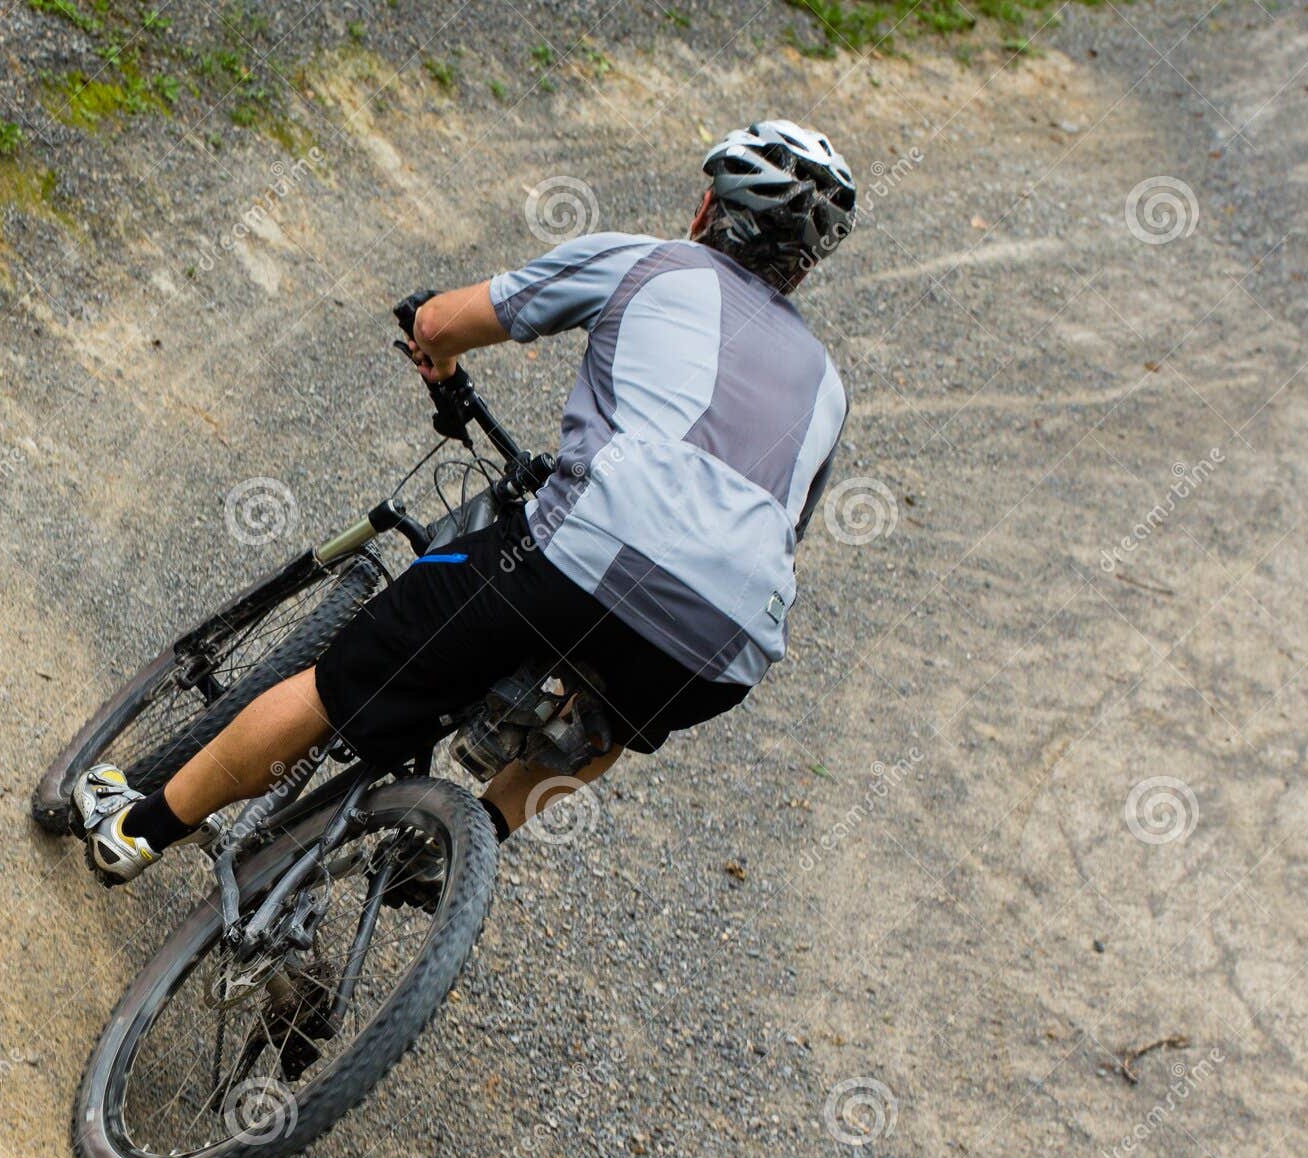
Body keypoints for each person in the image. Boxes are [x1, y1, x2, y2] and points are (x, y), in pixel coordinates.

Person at [74, 119, 857, 884]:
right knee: (613, 721)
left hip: (581, 553)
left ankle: (134, 831)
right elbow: (782, 527)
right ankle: (463, 837)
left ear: (706, 210)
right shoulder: (827, 389)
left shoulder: (650, 265)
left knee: (341, 685)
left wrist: (434, 349)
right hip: (724, 647)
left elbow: (447, 321)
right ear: (805, 268)